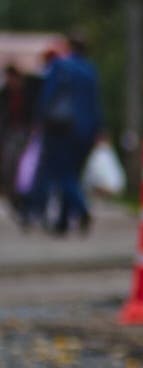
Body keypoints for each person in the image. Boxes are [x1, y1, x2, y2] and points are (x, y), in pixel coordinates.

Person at [35, 34, 102, 235]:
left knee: (62, 174)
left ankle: (81, 209)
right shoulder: (90, 70)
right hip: (86, 131)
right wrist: (99, 129)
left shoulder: (60, 66)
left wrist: (39, 120)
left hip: (62, 129)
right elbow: (96, 103)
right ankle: (63, 222)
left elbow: (47, 96)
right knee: (73, 173)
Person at [0, 63, 39, 210]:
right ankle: (15, 198)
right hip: (10, 133)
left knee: (25, 167)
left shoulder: (29, 92)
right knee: (9, 166)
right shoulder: (5, 94)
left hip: (26, 132)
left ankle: (25, 198)